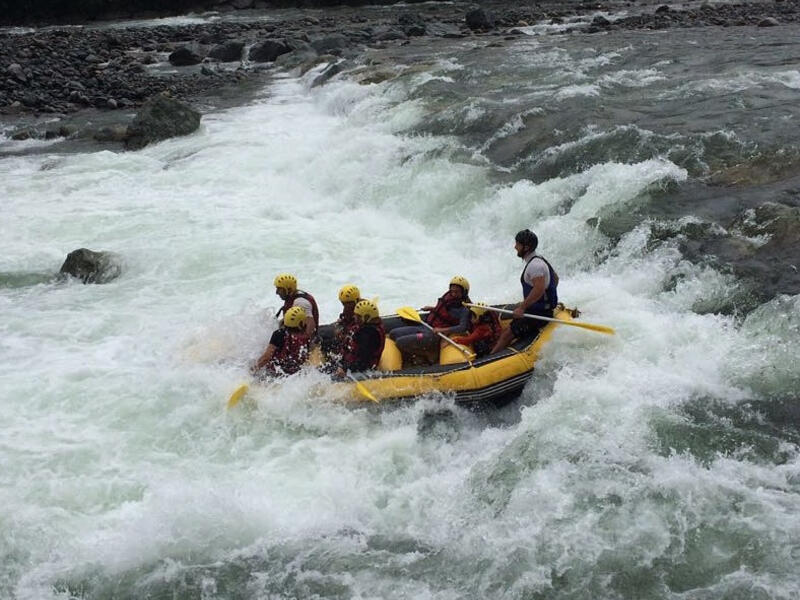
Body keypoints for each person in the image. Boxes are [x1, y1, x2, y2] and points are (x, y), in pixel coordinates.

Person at [491, 229, 559, 353]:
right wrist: (547, 298)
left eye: (518, 244)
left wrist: (522, 308)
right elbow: (555, 278)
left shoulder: (535, 266)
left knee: (506, 335)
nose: (515, 247)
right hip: (539, 310)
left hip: (539, 315)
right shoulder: (540, 260)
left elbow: (539, 289)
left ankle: (489, 358)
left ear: (526, 247)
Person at [389, 276, 471, 365]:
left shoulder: (464, 309)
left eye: (457, 292)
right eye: (452, 291)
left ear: (464, 292)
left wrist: (442, 330)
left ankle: (428, 354)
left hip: (435, 335)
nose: (454, 294)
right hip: (426, 326)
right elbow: (443, 311)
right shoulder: (449, 298)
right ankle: (417, 354)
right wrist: (432, 308)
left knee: (400, 342)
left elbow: (463, 327)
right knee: (394, 333)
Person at [252, 306, 310, 376]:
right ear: (301, 323)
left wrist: (253, 369)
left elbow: (266, 358)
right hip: (294, 376)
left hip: (275, 374)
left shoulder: (279, 334)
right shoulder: (307, 337)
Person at [335, 299, 385, 377]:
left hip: (359, 371)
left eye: (357, 316)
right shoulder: (366, 329)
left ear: (366, 317)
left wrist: (344, 369)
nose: (354, 317)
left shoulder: (369, 336)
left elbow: (363, 362)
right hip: (350, 363)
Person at [274, 272, 319, 337]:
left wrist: (303, 343)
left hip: (300, 339)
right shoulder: (292, 296)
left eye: (279, 289)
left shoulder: (300, 302)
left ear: (288, 289)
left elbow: (310, 326)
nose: (277, 292)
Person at [326, 283, 362, 358]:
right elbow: (344, 320)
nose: (345, 306)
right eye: (343, 303)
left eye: (347, 303)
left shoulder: (362, 311)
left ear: (356, 301)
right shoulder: (349, 309)